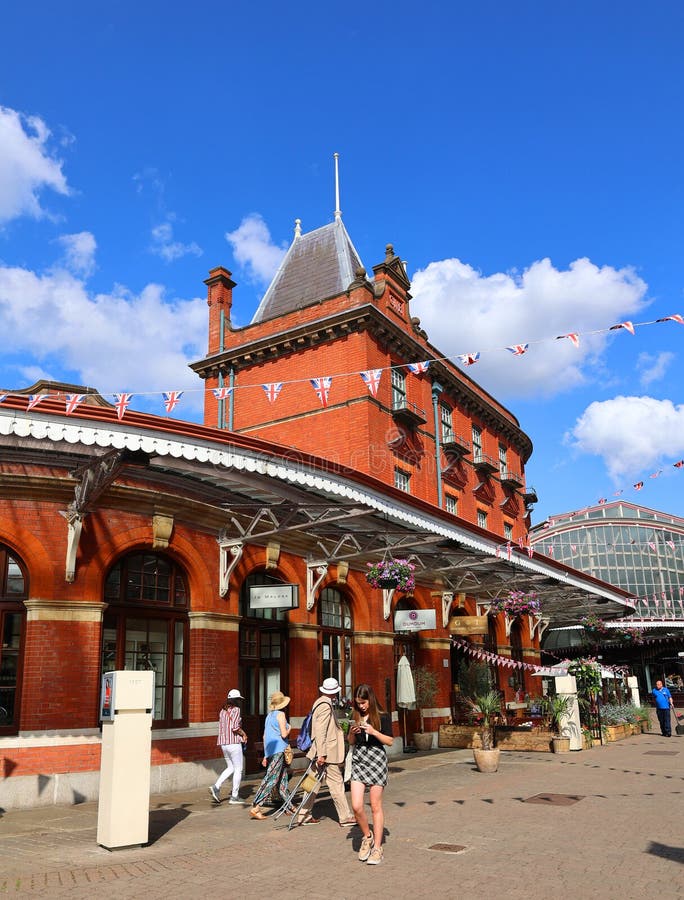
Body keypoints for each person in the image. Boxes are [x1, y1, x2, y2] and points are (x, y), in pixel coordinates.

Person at [295, 676, 355, 827]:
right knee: (336, 784)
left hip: (321, 752)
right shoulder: (324, 705)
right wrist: (322, 753)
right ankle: (345, 817)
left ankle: (303, 815)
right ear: (334, 692)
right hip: (327, 753)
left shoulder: (320, 703)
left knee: (311, 783)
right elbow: (320, 731)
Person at [348, 683, 394, 866]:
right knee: (357, 806)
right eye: (358, 703)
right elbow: (350, 741)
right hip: (359, 758)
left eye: (364, 702)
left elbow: (390, 741)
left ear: (371, 699)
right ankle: (367, 836)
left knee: (375, 806)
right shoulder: (356, 716)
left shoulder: (382, 717)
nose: (361, 706)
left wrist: (373, 731)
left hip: (376, 759)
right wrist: (352, 733)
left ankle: (377, 848)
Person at [249, 691, 292, 819]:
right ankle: (256, 807)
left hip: (272, 750)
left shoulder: (269, 716)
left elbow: (265, 736)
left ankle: (289, 805)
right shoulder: (281, 715)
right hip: (279, 750)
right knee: (271, 779)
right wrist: (290, 728)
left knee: (282, 779)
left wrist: (265, 756)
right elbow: (284, 734)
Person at [209, 688, 247, 804]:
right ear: (236, 700)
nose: (240, 702)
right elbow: (235, 727)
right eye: (239, 700)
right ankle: (234, 797)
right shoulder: (236, 710)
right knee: (238, 769)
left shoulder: (222, 711)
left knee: (230, 767)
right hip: (233, 743)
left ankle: (216, 786)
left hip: (223, 744)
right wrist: (244, 734)